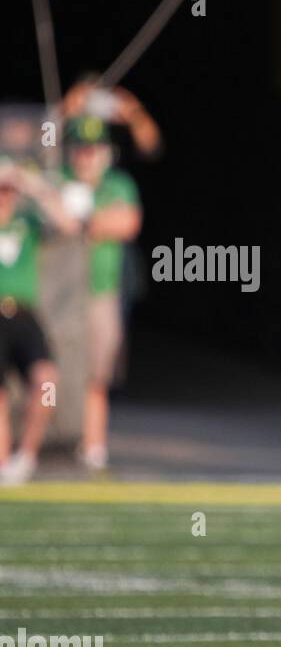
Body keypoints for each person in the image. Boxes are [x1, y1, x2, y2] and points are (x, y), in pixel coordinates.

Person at [62, 116, 142, 472]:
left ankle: (93, 446)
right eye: (79, 148)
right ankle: (45, 443)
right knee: (48, 373)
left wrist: (82, 218)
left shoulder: (117, 184)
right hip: (58, 297)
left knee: (97, 374)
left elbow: (126, 223)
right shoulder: (59, 180)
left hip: (99, 293)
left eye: (92, 149)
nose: (85, 156)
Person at [0, 159, 77, 485]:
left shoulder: (26, 220)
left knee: (46, 382)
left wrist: (32, 185)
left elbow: (69, 224)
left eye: (8, 190)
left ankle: (25, 457)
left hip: (24, 314)